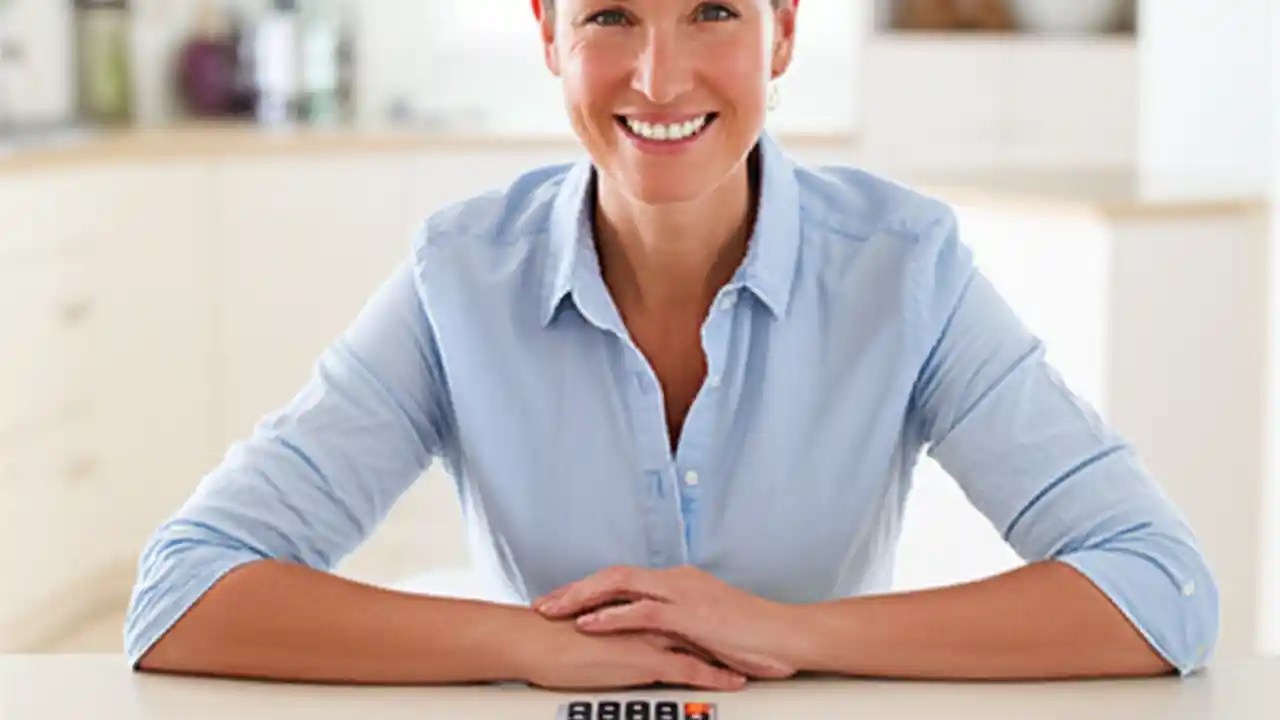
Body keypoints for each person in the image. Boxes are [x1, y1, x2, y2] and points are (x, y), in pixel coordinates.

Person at [124, 0, 1218, 690]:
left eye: (709, 12)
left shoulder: (904, 267)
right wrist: (531, 648)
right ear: (546, 30)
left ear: (781, 30)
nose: (657, 78)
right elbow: (185, 591)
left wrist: (789, 633)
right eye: (609, 17)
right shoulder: (458, 277)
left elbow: (1156, 587)